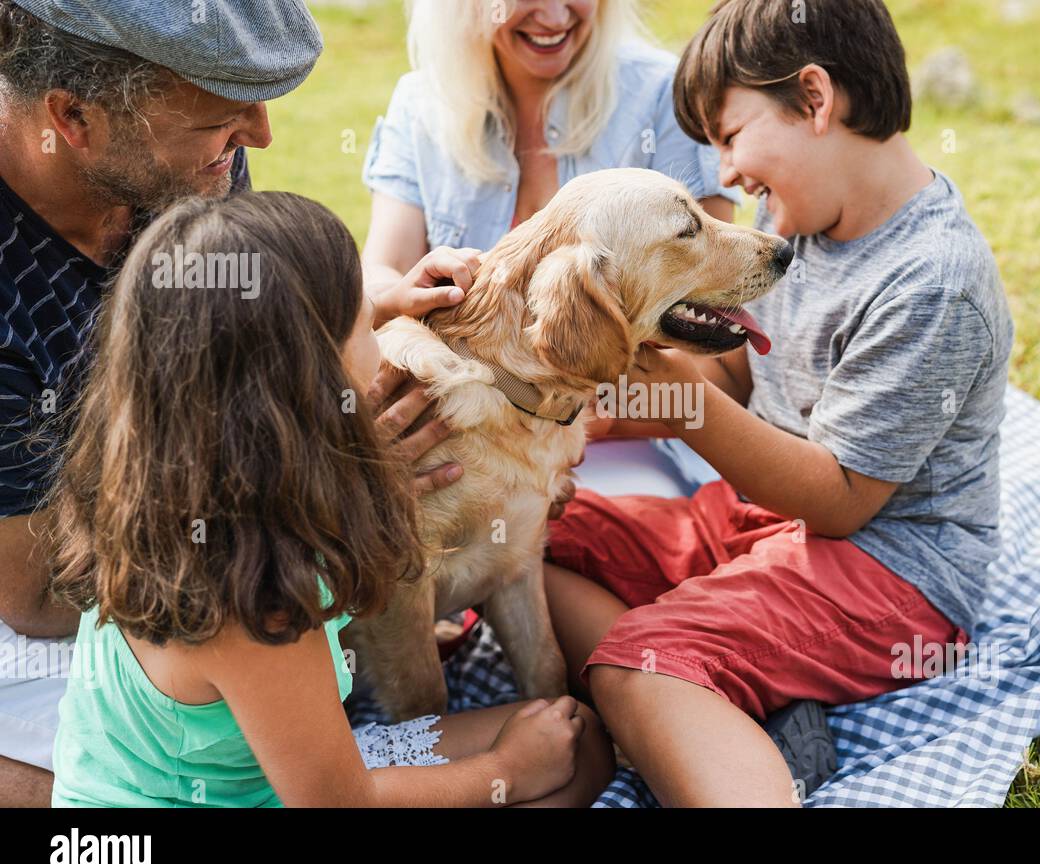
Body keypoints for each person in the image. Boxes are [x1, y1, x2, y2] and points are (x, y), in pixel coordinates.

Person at [543, 0, 1016, 807]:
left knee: (638, 663)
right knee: (538, 533)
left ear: (815, 98)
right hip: (759, 522)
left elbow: (837, 501)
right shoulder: (797, 221)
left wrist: (685, 405)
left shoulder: (932, 281)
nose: (725, 175)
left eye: (729, 137)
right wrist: (571, 409)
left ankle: (689, 703)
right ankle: (733, 693)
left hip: (890, 573)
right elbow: (742, 381)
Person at [0, 0, 462, 806]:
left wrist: (370, 304)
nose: (260, 134)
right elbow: (39, 599)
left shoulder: (180, 157)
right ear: (73, 117)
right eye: (220, 116)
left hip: (173, 544)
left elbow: (240, 345)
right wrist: (326, 481)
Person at [49, 191, 614, 808]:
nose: (388, 327)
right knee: (559, 758)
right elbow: (339, 803)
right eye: (367, 318)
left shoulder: (179, 494)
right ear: (312, 373)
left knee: (572, 738)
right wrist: (506, 769)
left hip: (247, 778)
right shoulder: (251, 596)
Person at [361, 0, 742, 499]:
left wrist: (550, 434)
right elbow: (381, 268)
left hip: (624, 441)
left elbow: (718, 338)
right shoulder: (422, 102)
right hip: (469, 433)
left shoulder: (660, 95)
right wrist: (403, 294)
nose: (556, 14)